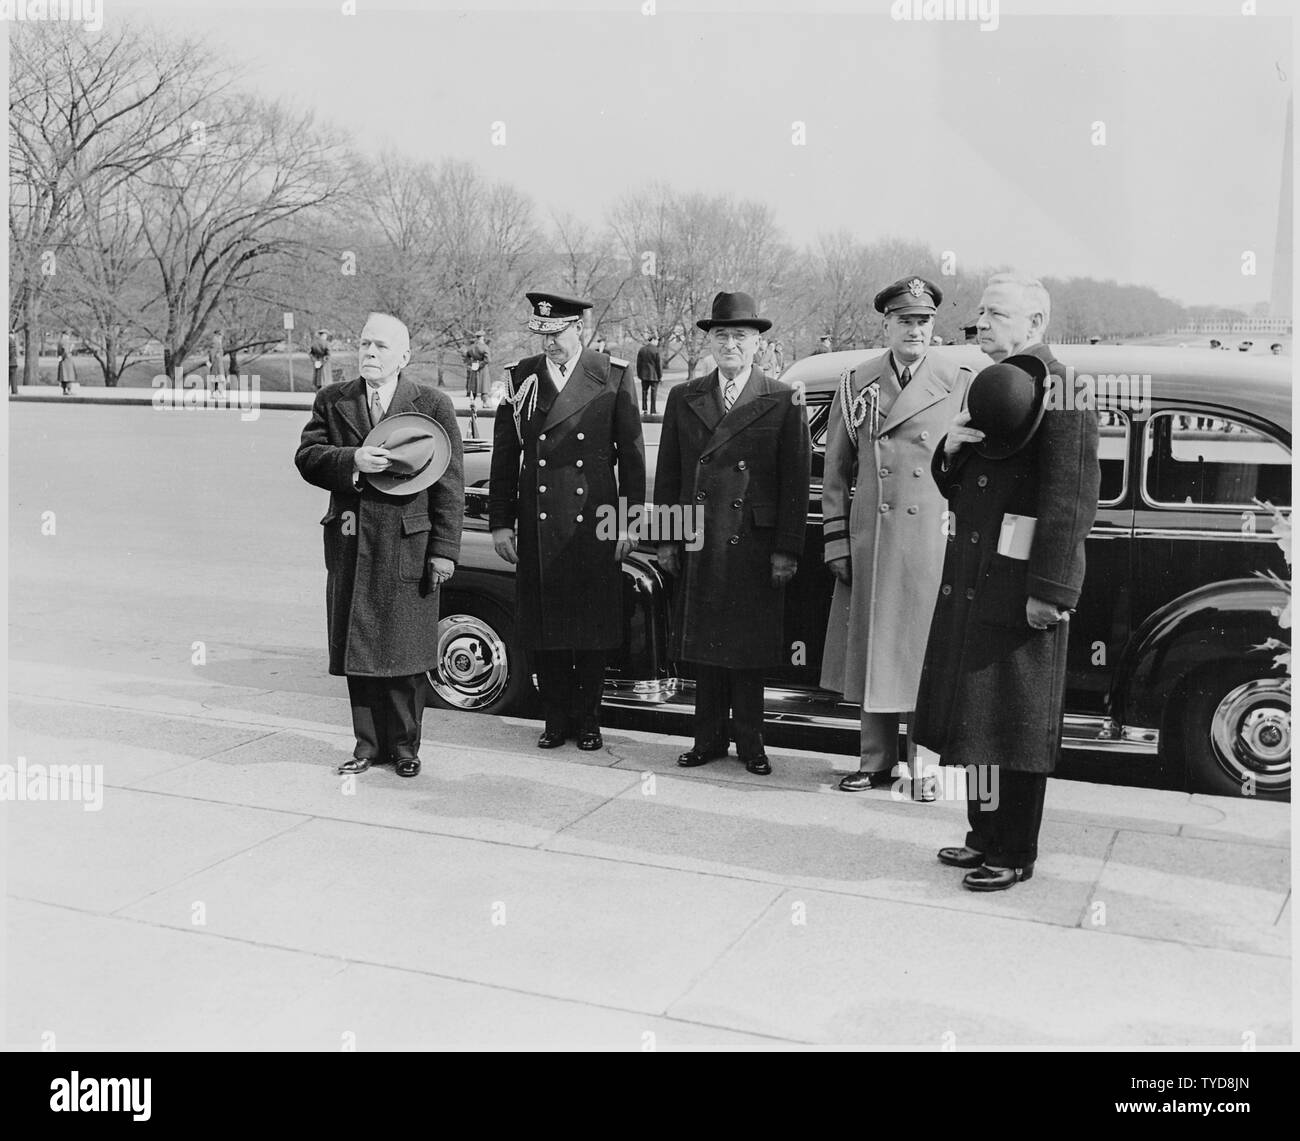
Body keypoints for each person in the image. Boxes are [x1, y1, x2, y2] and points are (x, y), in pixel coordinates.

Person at [915, 274, 1099, 892]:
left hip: (1021, 585)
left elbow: (1070, 502)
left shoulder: (1065, 390)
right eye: (981, 313)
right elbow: (965, 485)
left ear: (1036, 324)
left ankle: (1015, 851)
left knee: (1015, 721)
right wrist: (951, 450)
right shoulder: (995, 385)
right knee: (977, 716)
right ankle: (981, 836)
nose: (981, 323)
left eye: (996, 313)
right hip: (974, 576)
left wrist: (1050, 590)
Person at [821, 276, 974, 799]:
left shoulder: (962, 379)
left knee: (924, 655)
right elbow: (837, 472)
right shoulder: (857, 381)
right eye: (905, 321)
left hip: (932, 540)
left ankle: (925, 768)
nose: (915, 330)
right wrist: (838, 541)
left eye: (924, 321)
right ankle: (876, 760)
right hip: (875, 538)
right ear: (886, 323)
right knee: (876, 649)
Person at [295, 312, 465, 779]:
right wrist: (352, 460)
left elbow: (449, 485)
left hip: (408, 543)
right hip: (352, 540)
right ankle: (367, 746)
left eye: (381, 347)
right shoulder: (333, 400)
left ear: (404, 357)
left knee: (407, 652)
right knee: (361, 648)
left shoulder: (431, 403)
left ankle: (407, 748)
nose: (369, 353)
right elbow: (307, 457)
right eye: (365, 344)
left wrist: (444, 550)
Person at [654, 291, 811, 776]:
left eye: (740, 336)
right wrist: (665, 539)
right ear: (710, 342)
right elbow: (670, 473)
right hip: (699, 537)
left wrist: (786, 550)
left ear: (758, 343)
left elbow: (795, 482)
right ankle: (707, 740)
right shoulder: (685, 396)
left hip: (753, 543)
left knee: (747, 650)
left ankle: (751, 743)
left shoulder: (783, 398)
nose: (730, 344)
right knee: (704, 648)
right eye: (721, 335)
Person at [489, 292, 645, 751]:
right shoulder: (520, 378)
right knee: (547, 627)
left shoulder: (612, 375)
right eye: (542, 336)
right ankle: (555, 719)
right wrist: (501, 522)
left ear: (579, 328)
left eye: (556, 335)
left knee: (591, 630)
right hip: (539, 526)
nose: (549, 345)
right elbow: (505, 456)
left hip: (593, 524)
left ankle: (590, 721)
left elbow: (632, 459)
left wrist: (629, 523)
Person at [636, 333, 663, 415]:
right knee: (653, 393)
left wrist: (639, 374)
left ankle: (645, 409)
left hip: (643, 375)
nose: (658, 342)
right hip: (654, 376)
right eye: (657, 340)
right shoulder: (656, 350)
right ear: (654, 340)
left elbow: (638, 364)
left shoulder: (642, 349)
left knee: (644, 392)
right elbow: (658, 365)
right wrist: (660, 376)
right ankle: (653, 410)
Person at [464, 330, 490, 398]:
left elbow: (466, 357)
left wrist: (471, 364)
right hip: (483, 368)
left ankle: (472, 403)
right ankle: (485, 402)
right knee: (484, 386)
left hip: (474, 366)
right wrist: (480, 365)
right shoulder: (485, 347)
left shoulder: (471, 347)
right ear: (482, 338)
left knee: (473, 386)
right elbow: (487, 359)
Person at [57, 330, 77, 395]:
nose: (69, 337)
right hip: (67, 361)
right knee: (68, 376)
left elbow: (60, 351)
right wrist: (71, 349)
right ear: (65, 335)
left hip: (62, 360)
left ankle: (64, 390)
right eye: (68, 335)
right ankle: (69, 390)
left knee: (63, 376)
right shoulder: (65, 342)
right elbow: (66, 352)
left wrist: (60, 357)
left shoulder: (60, 342)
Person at [9, 332, 20, 396]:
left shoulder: (10, 340)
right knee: (13, 378)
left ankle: (14, 391)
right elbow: (12, 351)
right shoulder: (12, 341)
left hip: (11, 362)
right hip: (13, 362)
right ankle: (14, 391)